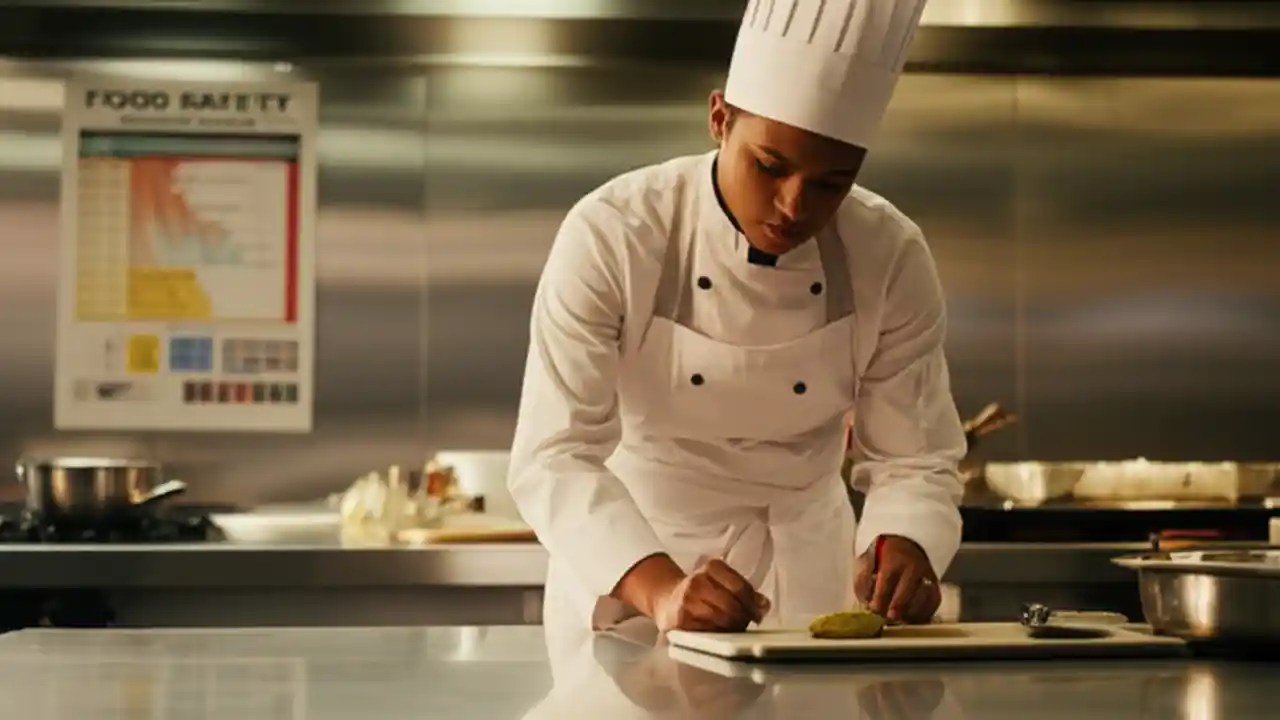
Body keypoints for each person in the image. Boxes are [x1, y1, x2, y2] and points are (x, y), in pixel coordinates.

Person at [508, 0, 965, 659]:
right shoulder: (616, 233)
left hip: (811, 573)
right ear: (719, 118)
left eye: (832, 183)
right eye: (771, 167)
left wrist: (904, 540)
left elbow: (915, 456)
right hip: (639, 568)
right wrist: (662, 588)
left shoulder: (888, 254)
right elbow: (554, 454)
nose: (793, 207)